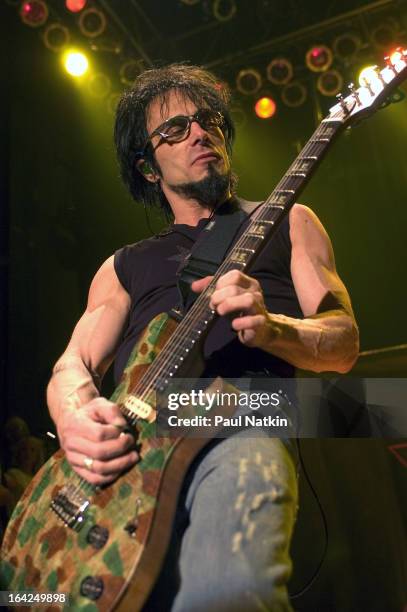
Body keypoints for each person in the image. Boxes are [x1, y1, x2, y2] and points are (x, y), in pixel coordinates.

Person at [46, 64, 359, 611]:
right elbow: (73, 364)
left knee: (226, 593)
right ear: (146, 167)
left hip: (240, 424)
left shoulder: (288, 219)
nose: (198, 132)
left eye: (207, 119)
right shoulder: (122, 267)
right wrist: (73, 415)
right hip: (128, 461)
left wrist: (274, 328)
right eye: (174, 129)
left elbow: (343, 342)